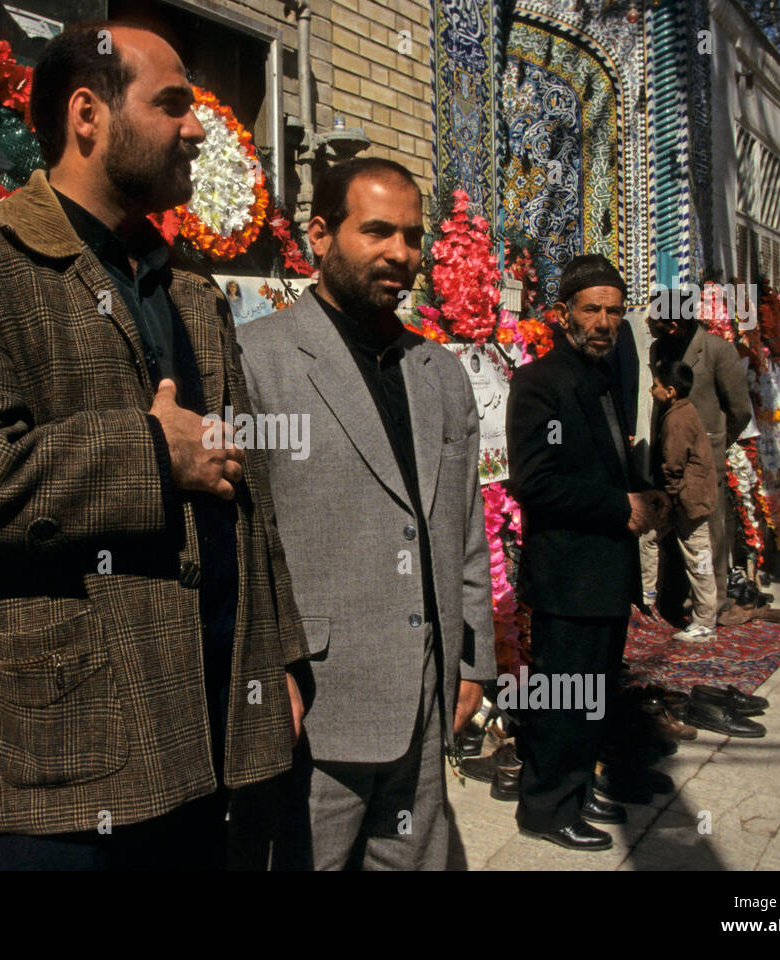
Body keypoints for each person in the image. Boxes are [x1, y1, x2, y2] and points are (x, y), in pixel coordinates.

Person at [0, 21, 309, 870]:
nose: (199, 130)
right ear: (88, 114)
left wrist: (287, 660)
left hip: (223, 737)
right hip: (73, 770)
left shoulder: (190, 292)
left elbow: (248, 497)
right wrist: (152, 457)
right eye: (173, 105)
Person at [236, 158, 496, 869]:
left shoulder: (438, 374)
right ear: (320, 234)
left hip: (425, 698)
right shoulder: (257, 360)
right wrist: (268, 670)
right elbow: (243, 541)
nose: (400, 254)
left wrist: (473, 658)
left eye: (412, 237)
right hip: (318, 708)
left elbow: (464, 533)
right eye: (377, 231)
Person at [506, 253, 669, 851]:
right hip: (569, 575)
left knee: (590, 697)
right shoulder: (539, 383)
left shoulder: (603, 378)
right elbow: (536, 482)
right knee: (562, 702)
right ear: (562, 314)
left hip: (603, 573)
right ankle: (546, 808)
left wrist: (643, 496)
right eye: (591, 309)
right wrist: (620, 506)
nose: (603, 322)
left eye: (614, 312)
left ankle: (576, 788)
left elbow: (601, 466)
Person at [649, 288, 751, 618]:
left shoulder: (719, 351)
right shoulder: (659, 350)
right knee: (672, 531)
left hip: (706, 460)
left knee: (711, 532)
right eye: (662, 324)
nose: (665, 330)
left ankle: (714, 603)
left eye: (669, 323)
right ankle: (674, 599)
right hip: (669, 455)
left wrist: (715, 443)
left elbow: (739, 410)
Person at [650, 359, 719, 642]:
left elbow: (673, 466)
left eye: (655, 386)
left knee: (699, 559)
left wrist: (670, 497)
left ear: (670, 391)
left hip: (689, 501)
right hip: (691, 498)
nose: (651, 390)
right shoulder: (683, 411)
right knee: (650, 538)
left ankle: (705, 621)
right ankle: (648, 599)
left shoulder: (677, 419)